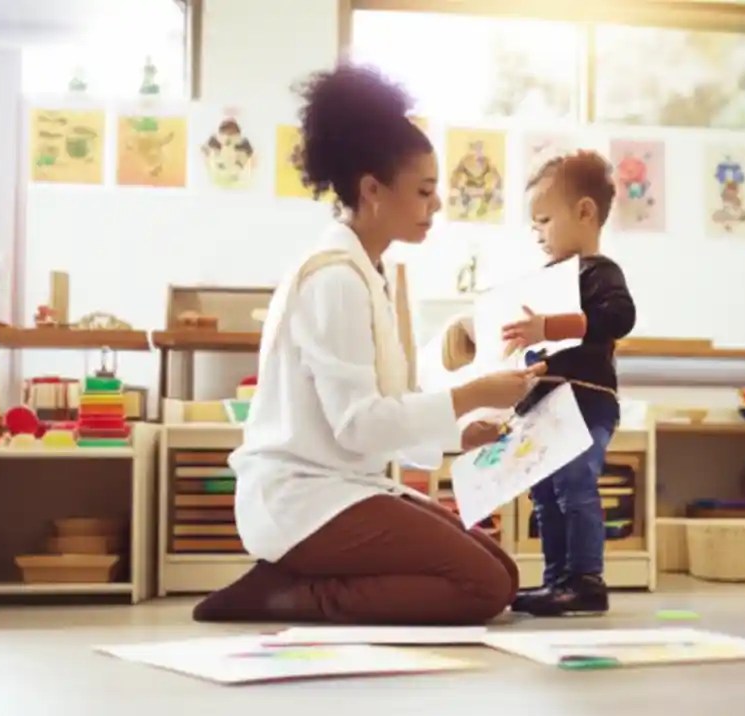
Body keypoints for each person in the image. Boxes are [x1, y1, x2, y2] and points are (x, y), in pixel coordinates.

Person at [192, 63, 541, 626]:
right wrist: (473, 394)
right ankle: (285, 594)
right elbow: (359, 426)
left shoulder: (370, 274)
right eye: (424, 191)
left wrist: (458, 433)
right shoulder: (335, 279)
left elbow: (384, 411)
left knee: (499, 569)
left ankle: (299, 579)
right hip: (301, 497)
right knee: (484, 585)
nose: (436, 205)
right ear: (372, 190)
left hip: (343, 485)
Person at [500, 151, 637, 616]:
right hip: (544, 402)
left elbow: (618, 318)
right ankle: (556, 580)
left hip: (585, 402)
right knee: (544, 491)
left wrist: (549, 327)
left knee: (575, 481)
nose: (537, 232)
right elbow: (536, 346)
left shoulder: (599, 272)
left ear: (584, 212)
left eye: (544, 220)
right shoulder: (546, 280)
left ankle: (585, 579)